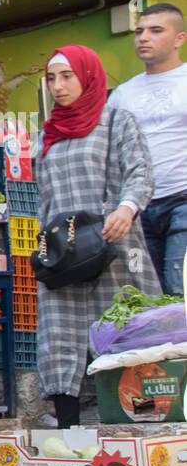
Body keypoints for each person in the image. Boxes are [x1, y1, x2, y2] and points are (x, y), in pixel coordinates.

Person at [37, 46, 158, 428]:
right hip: (64, 255)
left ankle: (138, 428)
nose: (58, 86)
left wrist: (127, 207)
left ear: (88, 76)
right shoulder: (49, 133)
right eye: (52, 78)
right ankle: (69, 433)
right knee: (61, 337)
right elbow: (45, 198)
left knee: (125, 332)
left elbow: (140, 172)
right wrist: (44, 249)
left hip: (112, 245)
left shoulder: (117, 121)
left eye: (67, 76)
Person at [108, 2, 187, 296]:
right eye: (139, 31)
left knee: (180, 290)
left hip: (183, 199)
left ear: (180, 38)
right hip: (137, 207)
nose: (143, 37)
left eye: (156, 31)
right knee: (147, 295)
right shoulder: (123, 94)